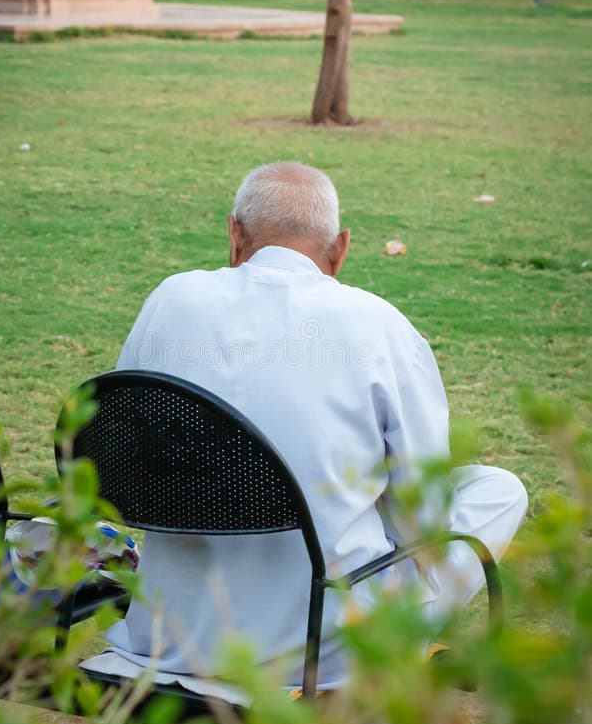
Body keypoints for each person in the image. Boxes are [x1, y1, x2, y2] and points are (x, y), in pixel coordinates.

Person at [84, 162, 527, 696]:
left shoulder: (170, 300)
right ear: (339, 249)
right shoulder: (379, 325)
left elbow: (119, 454)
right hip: (327, 649)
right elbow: (424, 519)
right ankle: (402, 640)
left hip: (171, 632)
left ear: (234, 235)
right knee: (497, 491)